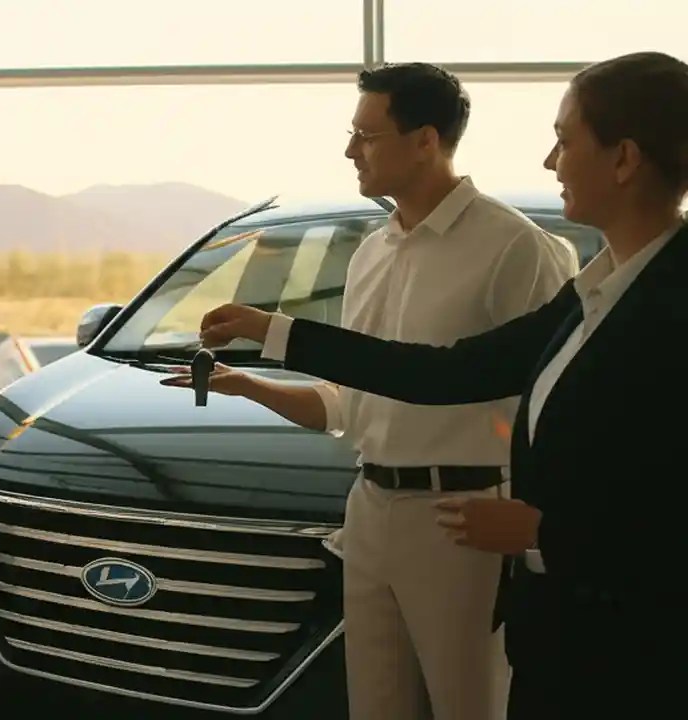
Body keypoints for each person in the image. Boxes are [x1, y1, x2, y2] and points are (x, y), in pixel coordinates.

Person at [177, 50, 688, 719]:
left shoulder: (569, 266)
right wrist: (273, 344)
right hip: (451, 551)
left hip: (557, 588)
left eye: (564, 142)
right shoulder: (590, 293)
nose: (548, 162)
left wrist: (546, 530)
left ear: (623, 160)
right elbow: (440, 373)